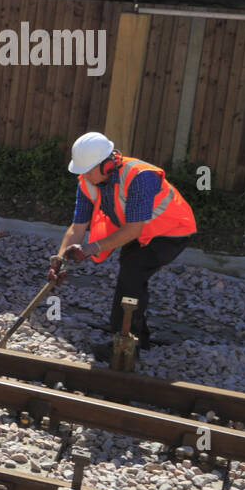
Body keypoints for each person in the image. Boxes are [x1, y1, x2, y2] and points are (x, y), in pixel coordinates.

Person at [53, 132, 196, 361]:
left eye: (89, 170)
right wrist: (59, 260)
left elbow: (132, 231)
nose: (86, 176)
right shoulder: (87, 181)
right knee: (132, 274)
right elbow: (77, 228)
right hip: (143, 233)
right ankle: (140, 337)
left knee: (132, 271)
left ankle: (125, 345)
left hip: (172, 232)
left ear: (108, 164)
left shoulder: (141, 177)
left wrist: (89, 249)